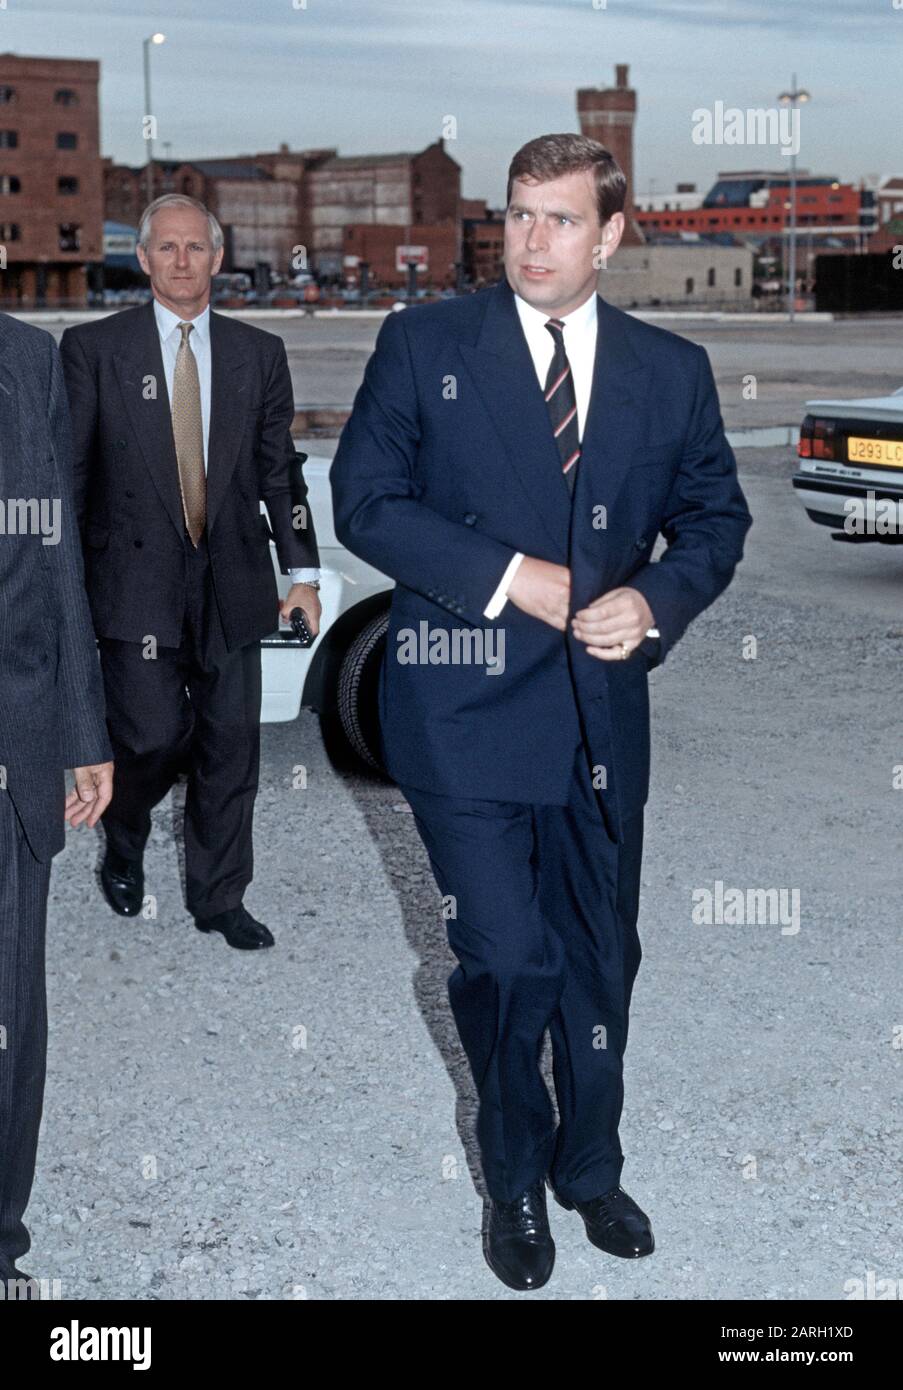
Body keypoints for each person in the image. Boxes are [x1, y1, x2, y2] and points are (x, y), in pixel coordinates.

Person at [331, 134, 752, 1289]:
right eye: (518, 215)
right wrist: (519, 577)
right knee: (506, 957)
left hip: (601, 721)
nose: (530, 240)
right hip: (460, 712)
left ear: (612, 233)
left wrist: (655, 600)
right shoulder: (427, 345)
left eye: (560, 220)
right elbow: (365, 498)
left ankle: (589, 1164)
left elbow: (716, 521)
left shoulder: (671, 371)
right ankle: (513, 1171)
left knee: (599, 960)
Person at [60, 195, 321, 950]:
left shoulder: (257, 354)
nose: (181, 261)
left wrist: (299, 571)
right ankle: (126, 833)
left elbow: (281, 474)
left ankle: (219, 897)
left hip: (232, 581)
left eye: (195, 247)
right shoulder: (93, 349)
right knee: (145, 738)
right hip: (130, 584)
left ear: (217, 257)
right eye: (165, 248)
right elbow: (71, 476)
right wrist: (63, 586)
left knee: (230, 749)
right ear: (142, 260)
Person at [0, 314, 113, 1295]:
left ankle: (0, 1247)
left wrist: (81, 730)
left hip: (12, 752)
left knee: (9, 1014)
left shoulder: (29, 358)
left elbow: (55, 551)